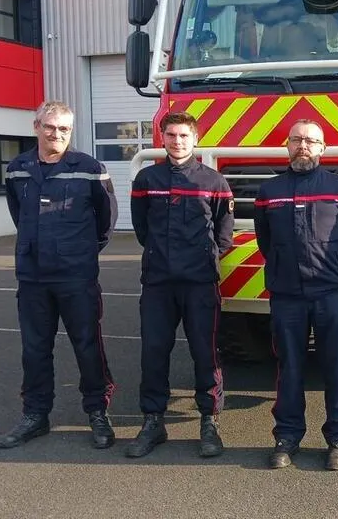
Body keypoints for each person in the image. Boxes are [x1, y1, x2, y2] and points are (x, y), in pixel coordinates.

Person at [0, 100, 118, 450]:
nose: (56, 134)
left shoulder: (90, 168)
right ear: (36, 126)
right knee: (34, 349)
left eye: (64, 129)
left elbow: (106, 221)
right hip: (33, 277)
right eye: (50, 127)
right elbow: (18, 213)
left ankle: (97, 412)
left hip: (75, 277)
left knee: (87, 346)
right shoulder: (17, 168)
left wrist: (81, 253)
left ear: (71, 132)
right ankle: (35, 414)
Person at [252, 119, 338, 471]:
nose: (303, 146)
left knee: (336, 366)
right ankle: (287, 436)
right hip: (287, 294)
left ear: (323, 148)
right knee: (290, 367)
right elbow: (265, 242)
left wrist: (334, 270)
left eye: (311, 141)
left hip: (329, 292)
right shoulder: (268, 192)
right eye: (297, 140)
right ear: (287, 146)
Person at [126, 111, 235, 459]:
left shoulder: (214, 182)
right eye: (171, 135)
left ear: (195, 139)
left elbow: (224, 234)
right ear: (162, 138)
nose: (177, 141)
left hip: (200, 282)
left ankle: (209, 420)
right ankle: (153, 421)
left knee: (205, 353)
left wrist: (204, 258)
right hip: (158, 282)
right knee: (154, 352)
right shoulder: (146, 179)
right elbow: (142, 229)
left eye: (184, 135)